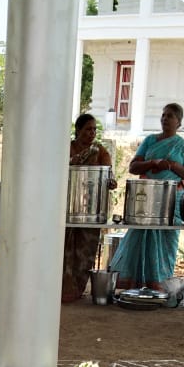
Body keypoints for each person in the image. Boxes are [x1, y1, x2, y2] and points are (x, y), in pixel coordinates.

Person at [110, 102, 184, 291]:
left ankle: (159, 284)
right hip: (147, 200)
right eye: (164, 115)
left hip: (171, 202)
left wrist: (172, 166)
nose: (165, 119)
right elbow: (133, 167)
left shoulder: (183, 146)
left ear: (179, 122)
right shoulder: (150, 141)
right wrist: (152, 163)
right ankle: (134, 284)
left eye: (170, 116)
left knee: (165, 242)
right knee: (140, 239)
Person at [63, 113, 117, 303]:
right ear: (77, 130)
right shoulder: (66, 148)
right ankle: (63, 289)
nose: (91, 133)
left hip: (91, 210)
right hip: (67, 208)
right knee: (65, 250)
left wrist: (111, 182)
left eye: (94, 129)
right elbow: (59, 167)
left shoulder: (100, 151)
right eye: (87, 129)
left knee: (86, 251)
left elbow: (108, 174)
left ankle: (77, 289)